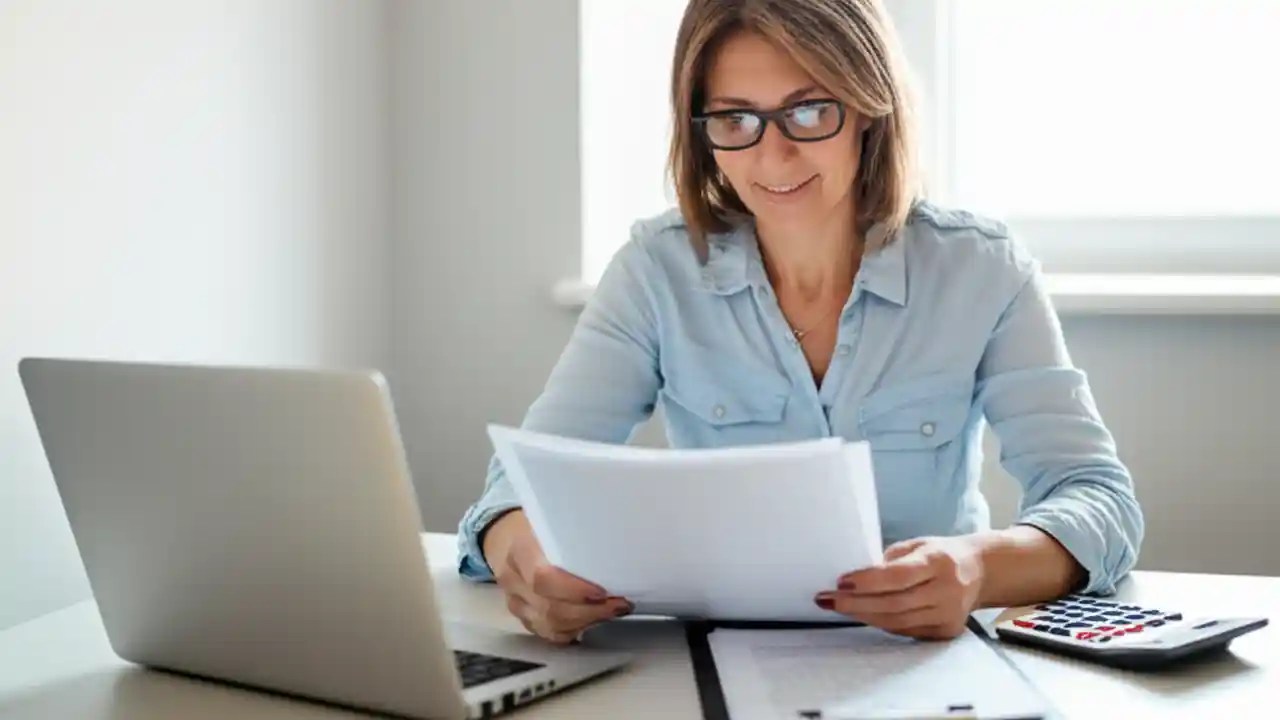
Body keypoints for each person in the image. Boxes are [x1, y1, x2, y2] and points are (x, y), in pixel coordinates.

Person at [457, 0, 1143, 646]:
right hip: (705, 659)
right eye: (734, 119)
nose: (772, 157)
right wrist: (527, 559)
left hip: (923, 667)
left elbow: (1098, 500)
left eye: (810, 112)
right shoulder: (655, 272)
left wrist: (976, 569)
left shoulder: (982, 269)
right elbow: (513, 489)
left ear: (871, 107)